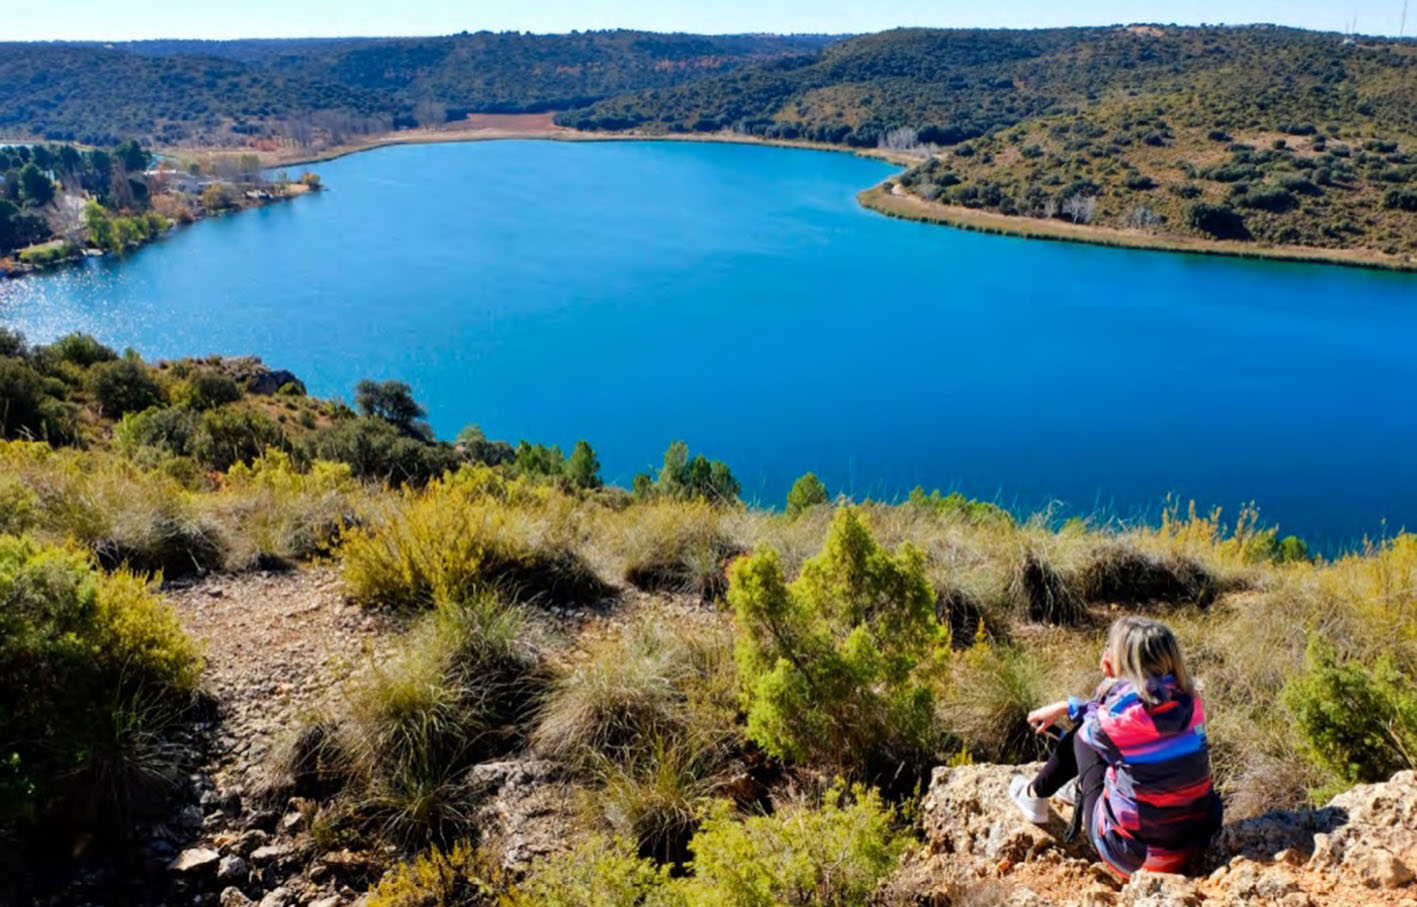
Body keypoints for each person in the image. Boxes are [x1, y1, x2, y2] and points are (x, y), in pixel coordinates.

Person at [1009, 616, 1223, 879]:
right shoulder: (1191, 702)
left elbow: (1094, 724)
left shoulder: (1113, 721)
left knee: (1081, 738)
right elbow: (1127, 713)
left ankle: (1033, 794)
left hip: (1134, 857)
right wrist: (1069, 706)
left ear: (1123, 661)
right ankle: (1070, 789)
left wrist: (1080, 701)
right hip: (1195, 846)